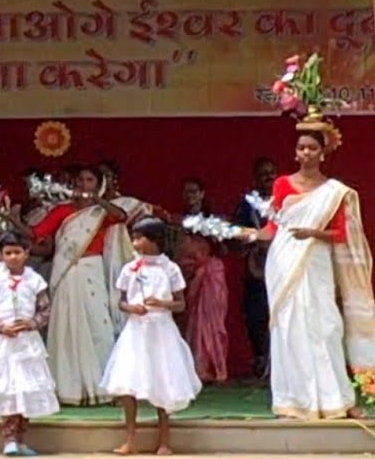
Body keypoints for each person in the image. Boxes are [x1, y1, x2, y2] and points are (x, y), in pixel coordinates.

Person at [240, 119, 375, 419]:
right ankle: (294, 401)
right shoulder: (282, 184)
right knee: (289, 326)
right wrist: (245, 233)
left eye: (312, 148)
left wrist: (312, 234)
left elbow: (340, 234)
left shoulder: (334, 192)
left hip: (316, 260)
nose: (305, 153)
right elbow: (272, 228)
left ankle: (338, 400)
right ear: (295, 152)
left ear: (322, 153)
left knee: (326, 325)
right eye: (301, 148)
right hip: (284, 260)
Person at [30, 165, 133, 406]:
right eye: (79, 180)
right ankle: (69, 389)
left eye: (89, 180)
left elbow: (121, 217)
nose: (83, 184)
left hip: (91, 270)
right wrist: (7, 219)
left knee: (99, 326)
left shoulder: (100, 212)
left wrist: (98, 200)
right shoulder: (62, 211)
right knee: (66, 327)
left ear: (98, 185)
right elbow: (37, 234)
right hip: (66, 274)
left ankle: (106, 388)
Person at [101, 218, 201, 456]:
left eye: (139, 238)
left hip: (161, 332)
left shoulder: (170, 269)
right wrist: (132, 308)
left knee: (162, 381)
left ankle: (164, 440)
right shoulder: (130, 268)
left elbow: (180, 304)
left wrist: (161, 303)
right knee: (128, 382)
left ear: (155, 240)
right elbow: (121, 301)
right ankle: (130, 438)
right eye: (134, 238)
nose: (135, 243)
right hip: (136, 332)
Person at [0, 232, 58, 457]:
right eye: (8, 253)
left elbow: (44, 310)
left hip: (26, 344)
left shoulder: (35, 281)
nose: (12, 257)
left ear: (27, 253)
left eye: (17, 252)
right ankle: (9, 438)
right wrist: (1, 327)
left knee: (26, 389)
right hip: (3, 344)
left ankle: (21, 439)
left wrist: (31, 323)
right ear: (1, 255)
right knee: (8, 390)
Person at [173, 177, 228, 383]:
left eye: (194, 191)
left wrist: (213, 234)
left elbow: (224, 250)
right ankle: (191, 370)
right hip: (186, 275)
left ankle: (211, 369)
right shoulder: (176, 220)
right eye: (187, 192)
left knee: (211, 323)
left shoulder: (213, 220)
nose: (190, 196)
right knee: (188, 322)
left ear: (202, 194)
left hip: (210, 276)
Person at [232, 157, 277, 379]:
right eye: (263, 173)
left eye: (271, 172)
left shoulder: (285, 201)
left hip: (284, 266)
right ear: (256, 178)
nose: (268, 177)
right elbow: (235, 232)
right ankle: (261, 361)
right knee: (257, 316)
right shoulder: (247, 205)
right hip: (257, 269)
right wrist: (255, 238)